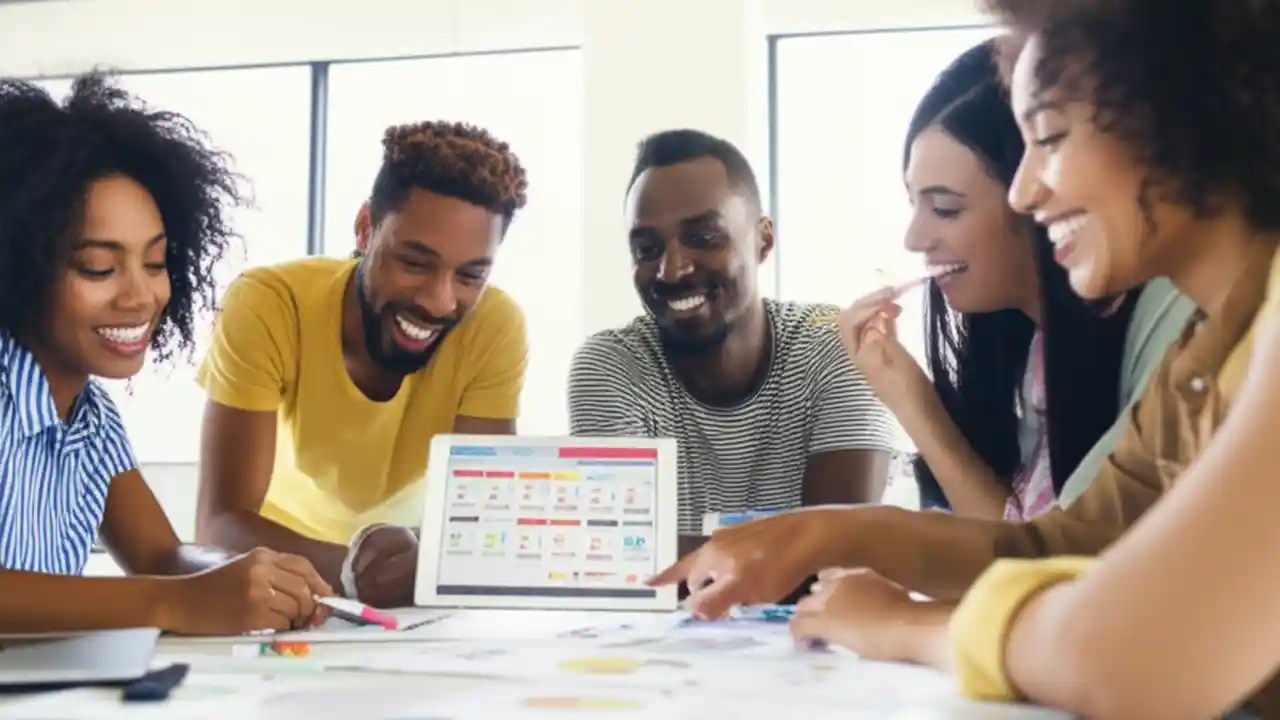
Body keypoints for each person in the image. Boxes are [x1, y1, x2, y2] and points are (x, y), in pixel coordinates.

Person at [789, 1, 1280, 716]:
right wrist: (835, 531)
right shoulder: (1201, 353)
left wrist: (902, 624)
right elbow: (1060, 546)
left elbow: (1129, 656)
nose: (1026, 190)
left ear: (1180, 116)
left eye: (1047, 139)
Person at [0, 74, 330, 635]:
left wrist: (248, 575)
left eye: (155, 263)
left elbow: (161, 559)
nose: (140, 296)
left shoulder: (91, 417)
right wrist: (171, 604)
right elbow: (165, 592)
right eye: (99, 268)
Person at [839, 40, 1192, 521]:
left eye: (945, 208)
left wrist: (914, 406)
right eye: (914, 203)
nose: (914, 237)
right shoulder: (1029, 355)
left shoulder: (1175, 317)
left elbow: (1052, 562)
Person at [196, 121, 530, 608]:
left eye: (470, 275)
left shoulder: (493, 325)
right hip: (282, 575)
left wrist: (416, 565)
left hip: (410, 577)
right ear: (365, 228)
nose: (440, 302)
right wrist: (352, 570)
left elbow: (480, 522)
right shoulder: (269, 304)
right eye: (414, 263)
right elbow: (219, 521)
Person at [568, 129, 896, 545]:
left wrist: (667, 551)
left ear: (763, 240)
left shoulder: (835, 346)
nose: (672, 270)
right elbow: (619, 558)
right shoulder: (612, 367)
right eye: (647, 249)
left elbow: (838, 552)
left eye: (703, 238)